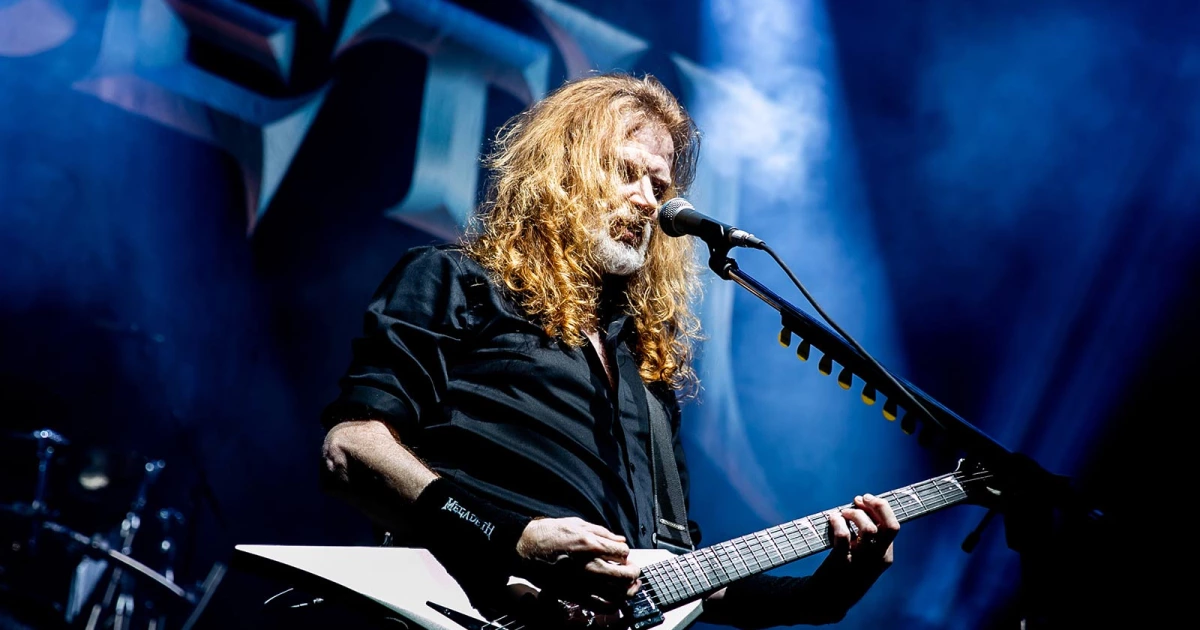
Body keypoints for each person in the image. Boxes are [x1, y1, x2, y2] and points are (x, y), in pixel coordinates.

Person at [319, 72, 900, 628]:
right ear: (565, 171)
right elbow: (352, 449)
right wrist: (513, 540)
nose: (648, 202)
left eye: (660, 187)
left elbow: (673, 571)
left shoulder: (645, 368)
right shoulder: (458, 282)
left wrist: (823, 595)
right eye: (626, 172)